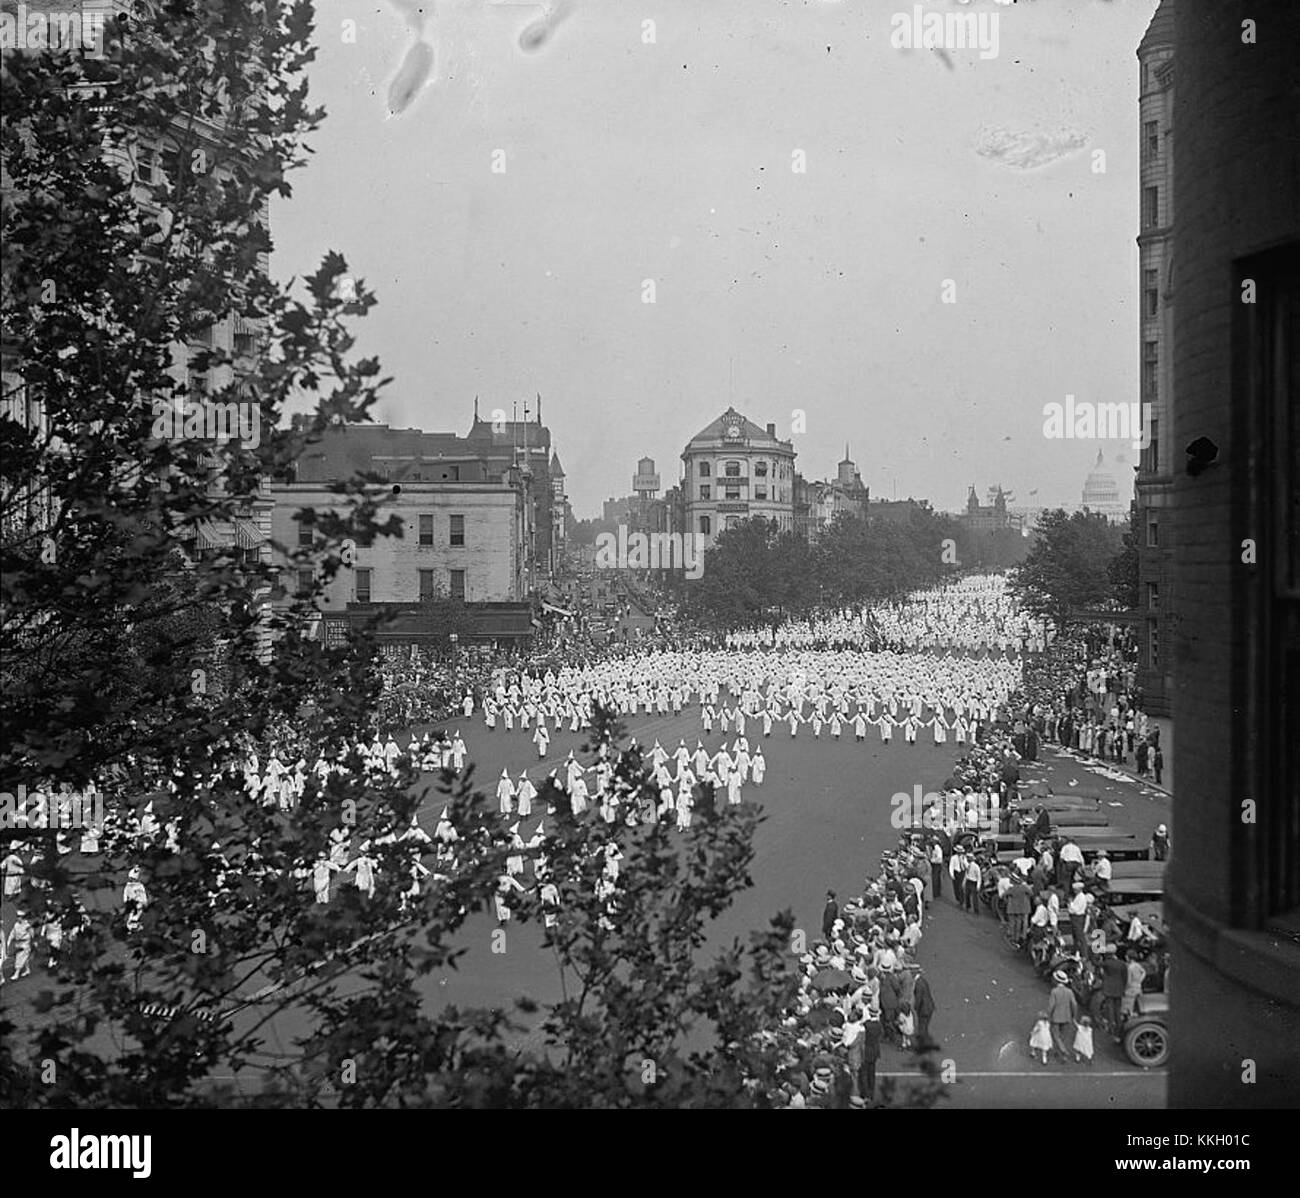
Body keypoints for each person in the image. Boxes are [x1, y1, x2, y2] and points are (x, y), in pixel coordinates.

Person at [1047, 970, 1078, 1062]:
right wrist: (1074, 1016)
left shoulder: (1054, 991)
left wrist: (1048, 1015)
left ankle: (1063, 1051)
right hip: (1067, 1016)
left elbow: (1051, 1005)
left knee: (1056, 1035)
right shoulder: (1069, 992)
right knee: (1063, 1036)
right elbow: (1074, 1004)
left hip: (1056, 1017)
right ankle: (1059, 1052)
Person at [1100, 947, 1127, 1037]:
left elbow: (1097, 964)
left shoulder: (1106, 963)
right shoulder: (1122, 964)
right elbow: (1125, 978)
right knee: (1118, 1009)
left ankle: (1112, 1027)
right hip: (1119, 989)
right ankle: (1119, 1027)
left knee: (1110, 1009)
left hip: (1108, 989)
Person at [912, 966, 936, 1047]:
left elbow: (918, 997)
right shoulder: (922, 980)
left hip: (924, 1009)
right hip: (929, 1006)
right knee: (924, 1026)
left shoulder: (918, 984)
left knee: (922, 1026)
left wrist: (915, 1007)